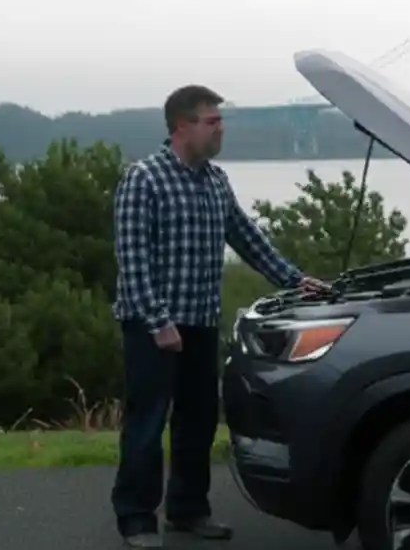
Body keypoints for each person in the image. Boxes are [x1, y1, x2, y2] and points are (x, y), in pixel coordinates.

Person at [109, 84, 328, 548]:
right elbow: (133, 258)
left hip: (201, 322)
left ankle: (188, 512)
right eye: (212, 121)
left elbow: (247, 238)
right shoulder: (143, 178)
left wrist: (294, 279)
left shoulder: (215, 181)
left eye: (220, 120)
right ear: (182, 127)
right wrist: (157, 322)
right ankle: (136, 518)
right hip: (153, 326)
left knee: (199, 421)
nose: (221, 128)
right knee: (147, 423)